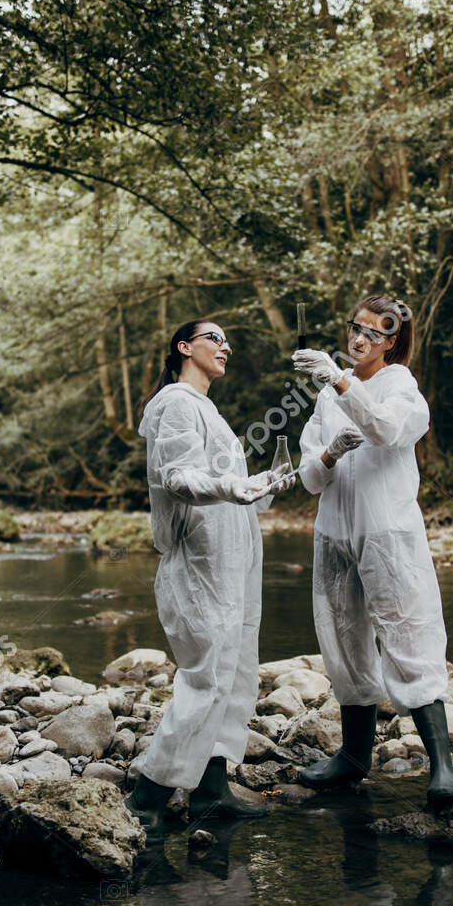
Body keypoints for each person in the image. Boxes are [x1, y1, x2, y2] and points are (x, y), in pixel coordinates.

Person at [291, 295, 453, 811]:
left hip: (387, 535)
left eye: (373, 332)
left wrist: (339, 380)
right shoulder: (325, 398)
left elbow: (388, 430)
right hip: (334, 536)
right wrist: (329, 452)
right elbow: (309, 478)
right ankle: (354, 758)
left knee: (408, 631)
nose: (359, 338)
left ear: (391, 342)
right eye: (355, 327)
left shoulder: (401, 386)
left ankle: (442, 767)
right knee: (344, 641)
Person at [126, 319, 294, 829]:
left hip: (233, 559)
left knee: (237, 670)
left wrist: (264, 483)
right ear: (184, 347)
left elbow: (231, 491)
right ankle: (148, 797)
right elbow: (178, 478)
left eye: (227, 342)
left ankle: (212, 790)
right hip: (200, 563)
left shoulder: (208, 410)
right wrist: (228, 487)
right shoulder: (176, 403)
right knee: (207, 677)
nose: (226, 346)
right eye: (213, 339)